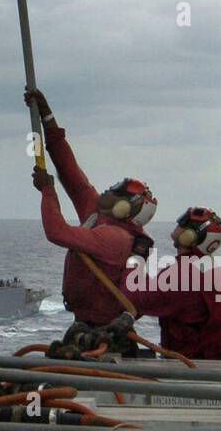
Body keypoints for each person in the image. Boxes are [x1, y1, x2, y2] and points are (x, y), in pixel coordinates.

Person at [26, 87, 156, 328]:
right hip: (85, 324)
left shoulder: (114, 237)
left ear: (125, 209)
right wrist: (47, 118)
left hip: (102, 331)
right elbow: (71, 173)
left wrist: (48, 190)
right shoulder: (99, 215)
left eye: (117, 191)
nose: (109, 190)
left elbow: (56, 232)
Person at [125, 207, 221, 360]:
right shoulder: (212, 269)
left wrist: (135, 258)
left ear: (190, 236)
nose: (177, 225)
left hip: (196, 363)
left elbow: (135, 299)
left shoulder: (183, 274)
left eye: (182, 223)